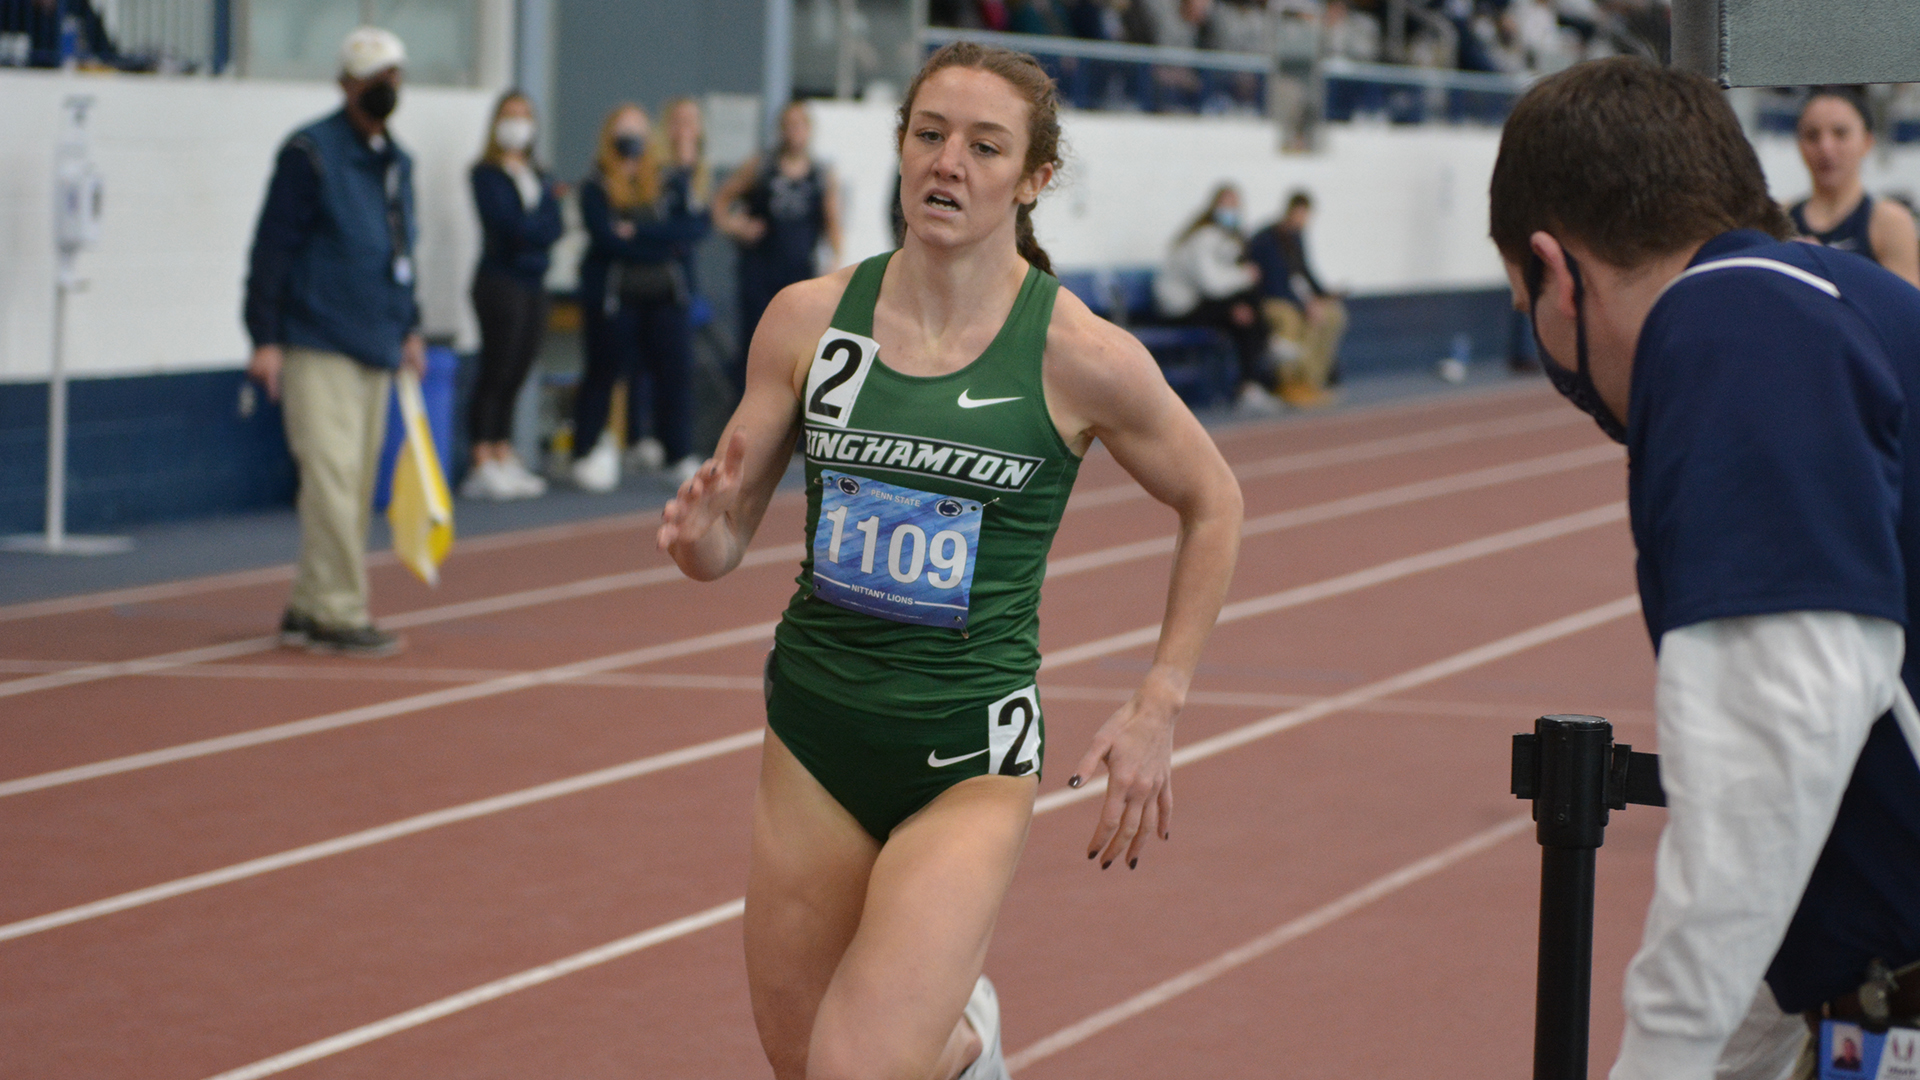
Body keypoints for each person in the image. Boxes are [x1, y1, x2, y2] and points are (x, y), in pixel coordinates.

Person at [656, 41, 1243, 1080]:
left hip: (967, 753)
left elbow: (1214, 501)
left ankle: (961, 1038)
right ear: (900, 149)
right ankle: (961, 1049)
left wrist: (1160, 702)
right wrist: (702, 539)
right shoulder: (808, 320)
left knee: (855, 1067)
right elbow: (723, 540)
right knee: (801, 1061)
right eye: (929, 135)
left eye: (984, 146)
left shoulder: (1079, 356)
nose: (948, 164)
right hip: (816, 733)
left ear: (1033, 178)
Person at [1488, 57, 1920, 1080]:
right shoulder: (1843, 297)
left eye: (1524, 302)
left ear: (1555, 271)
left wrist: (1665, 1060)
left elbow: (1774, 750)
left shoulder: (1732, 328)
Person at [243, 26, 421, 659]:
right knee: (332, 481)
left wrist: (410, 324)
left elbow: (402, 250)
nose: (384, 88)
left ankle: (309, 602)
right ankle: (339, 610)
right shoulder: (310, 153)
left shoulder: (397, 163)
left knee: (352, 485)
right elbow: (272, 248)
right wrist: (264, 337)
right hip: (317, 340)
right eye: (372, 79)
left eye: (391, 77)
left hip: (375, 341)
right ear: (346, 84)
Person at [571, 103, 711, 492]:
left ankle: (677, 453)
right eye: (623, 129)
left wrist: (639, 233)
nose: (631, 137)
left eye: (638, 129)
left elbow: (691, 228)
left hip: (665, 295)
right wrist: (660, 244)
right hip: (615, 297)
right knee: (604, 372)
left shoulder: (667, 180)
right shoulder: (596, 184)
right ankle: (586, 450)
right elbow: (606, 238)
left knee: (674, 373)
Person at [462, 90, 563, 501]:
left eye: (525, 115)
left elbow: (553, 225)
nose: (518, 122)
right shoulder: (485, 174)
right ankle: (481, 457)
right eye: (510, 114)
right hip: (499, 282)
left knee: (519, 369)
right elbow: (507, 225)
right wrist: (532, 230)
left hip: (534, 283)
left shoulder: (540, 174)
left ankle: (503, 450)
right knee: (497, 367)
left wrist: (531, 230)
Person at [714, 100, 844, 389]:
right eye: (788, 125)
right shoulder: (761, 166)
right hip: (760, 272)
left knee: (797, 350)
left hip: (799, 273)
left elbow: (833, 223)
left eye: (800, 125)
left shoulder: (820, 174)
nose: (794, 132)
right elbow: (721, 201)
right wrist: (737, 226)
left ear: (809, 130)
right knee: (755, 346)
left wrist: (834, 262)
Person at [1154, 183, 1278, 413]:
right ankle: (1268, 344)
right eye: (1226, 205)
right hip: (1178, 309)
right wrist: (1244, 276)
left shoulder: (1226, 239)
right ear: (1214, 207)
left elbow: (1223, 283)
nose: (1231, 211)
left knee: (1244, 314)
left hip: (1202, 302)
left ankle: (1251, 383)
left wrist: (1240, 283)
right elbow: (1212, 285)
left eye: (1235, 205)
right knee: (1244, 307)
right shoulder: (1203, 238)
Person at [1789, 87, 1920, 288]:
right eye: (1812, 135)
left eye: (1840, 133)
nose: (1825, 147)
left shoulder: (1889, 222)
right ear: (1799, 144)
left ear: (1867, 141)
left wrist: (1825, 266)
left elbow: (1906, 305)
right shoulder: (1781, 219)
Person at [1245, 190, 1349, 408]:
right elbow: (1274, 285)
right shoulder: (1267, 239)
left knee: (1333, 315)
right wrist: (1305, 305)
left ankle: (1312, 380)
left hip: (1289, 299)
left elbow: (1304, 271)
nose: (1303, 220)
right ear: (1290, 212)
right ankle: (1288, 383)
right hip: (1267, 301)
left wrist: (1324, 295)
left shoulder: (1297, 237)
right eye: (1300, 214)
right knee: (1290, 319)